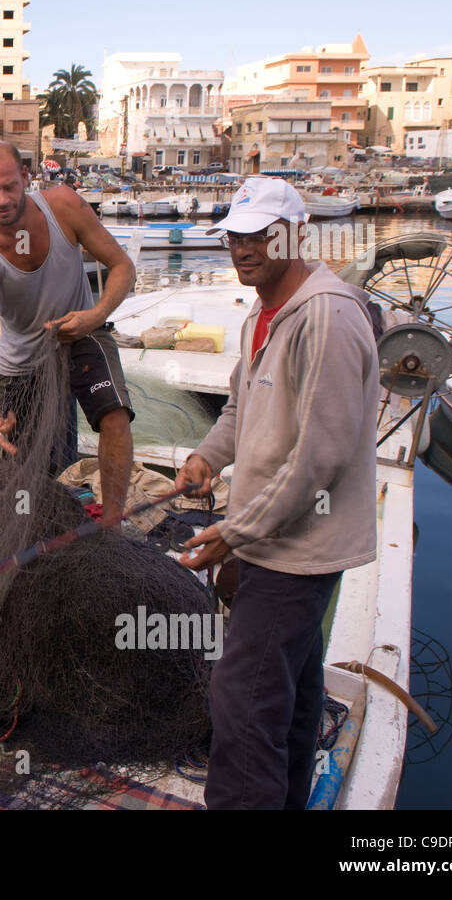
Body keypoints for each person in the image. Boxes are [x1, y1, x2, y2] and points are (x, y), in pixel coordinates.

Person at [174, 176, 380, 809]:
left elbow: (320, 458)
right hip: (271, 541)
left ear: (294, 235)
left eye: (260, 234)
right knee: (290, 696)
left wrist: (234, 533)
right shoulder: (263, 313)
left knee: (242, 706)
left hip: (296, 551)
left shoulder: (329, 316)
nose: (243, 248)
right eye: (235, 236)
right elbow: (242, 405)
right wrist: (207, 456)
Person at [0, 139, 137, 522]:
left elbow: (123, 267)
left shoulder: (64, 206)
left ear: (26, 176)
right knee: (19, 467)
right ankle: (28, 527)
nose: (1, 200)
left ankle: (112, 526)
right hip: (22, 363)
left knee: (115, 414)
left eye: (9, 187)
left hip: (82, 333)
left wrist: (95, 314)